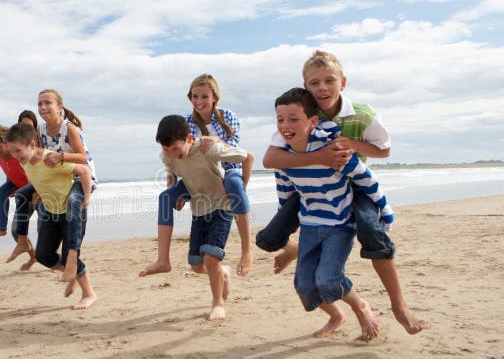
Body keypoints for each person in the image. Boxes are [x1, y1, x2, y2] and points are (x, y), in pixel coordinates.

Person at [256, 51, 425, 335]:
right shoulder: (301, 112)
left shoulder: (361, 114)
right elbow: (272, 159)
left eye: (329, 81)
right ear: (306, 86)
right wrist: (321, 156)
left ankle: (399, 305)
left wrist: (353, 145)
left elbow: (384, 150)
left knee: (373, 234)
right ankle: (297, 249)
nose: (322, 87)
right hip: (312, 182)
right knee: (269, 238)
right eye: (314, 83)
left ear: (342, 83)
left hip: (352, 185)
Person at [271, 88, 391, 341]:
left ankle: (360, 307)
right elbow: (285, 190)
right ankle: (336, 316)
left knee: (327, 280)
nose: (285, 125)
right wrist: (287, 221)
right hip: (310, 224)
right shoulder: (284, 157)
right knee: (304, 287)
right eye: (280, 119)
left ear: (312, 121)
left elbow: (366, 179)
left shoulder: (333, 149)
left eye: (294, 118)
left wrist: (386, 212)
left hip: (340, 224)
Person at [140, 74, 254, 278]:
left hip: (227, 167)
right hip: (198, 173)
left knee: (234, 186)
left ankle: (247, 250)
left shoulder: (228, 116)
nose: (199, 101)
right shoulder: (185, 122)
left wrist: (216, 140)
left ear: (214, 98)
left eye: (204, 97)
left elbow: (237, 150)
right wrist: (175, 192)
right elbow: (176, 161)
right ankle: (162, 260)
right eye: (195, 96)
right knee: (165, 197)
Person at [154, 115, 249, 321]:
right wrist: (174, 190)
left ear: (189, 138)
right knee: (197, 266)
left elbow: (246, 156)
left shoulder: (207, 149)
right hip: (199, 209)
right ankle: (222, 273)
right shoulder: (168, 155)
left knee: (210, 257)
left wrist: (218, 142)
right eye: (166, 149)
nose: (171, 154)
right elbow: (172, 169)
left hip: (221, 207)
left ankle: (218, 304)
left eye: (176, 149)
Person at [9, 89, 98, 286]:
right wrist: (40, 191)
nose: (42, 107)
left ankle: (72, 258)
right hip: (60, 176)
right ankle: (22, 240)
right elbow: (40, 158)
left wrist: (61, 156)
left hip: (80, 177)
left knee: (74, 202)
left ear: (59, 108)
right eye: (39, 104)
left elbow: (83, 158)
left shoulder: (68, 128)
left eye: (47, 103)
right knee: (23, 194)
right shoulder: (40, 130)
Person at [0, 124, 38, 270]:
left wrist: (32, 192)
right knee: (16, 232)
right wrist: (11, 186)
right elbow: (10, 173)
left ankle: (57, 259)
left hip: (38, 192)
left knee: (47, 229)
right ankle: (34, 256)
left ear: (7, 143)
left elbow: (33, 173)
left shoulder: (20, 156)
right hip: (22, 194)